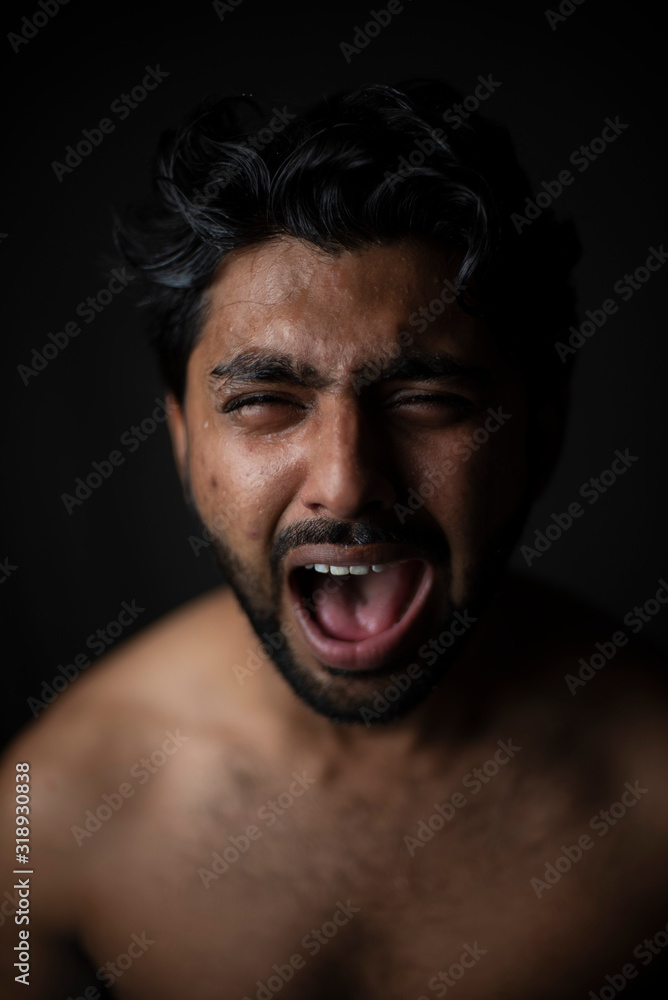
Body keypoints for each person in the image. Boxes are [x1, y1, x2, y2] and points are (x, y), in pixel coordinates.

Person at [1, 80, 667, 999]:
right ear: (185, 439)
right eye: (265, 403)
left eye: (429, 400)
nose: (348, 480)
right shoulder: (43, 813)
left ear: (542, 435)